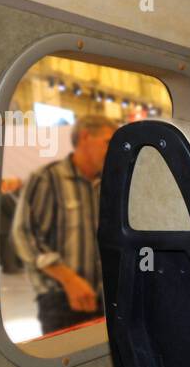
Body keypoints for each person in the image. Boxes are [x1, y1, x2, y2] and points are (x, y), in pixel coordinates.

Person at [11, 114, 117, 335]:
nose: (113, 150)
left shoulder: (111, 185)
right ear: (85, 137)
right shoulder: (47, 179)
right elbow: (24, 235)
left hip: (108, 301)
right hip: (62, 303)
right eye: (108, 142)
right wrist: (68, 280)